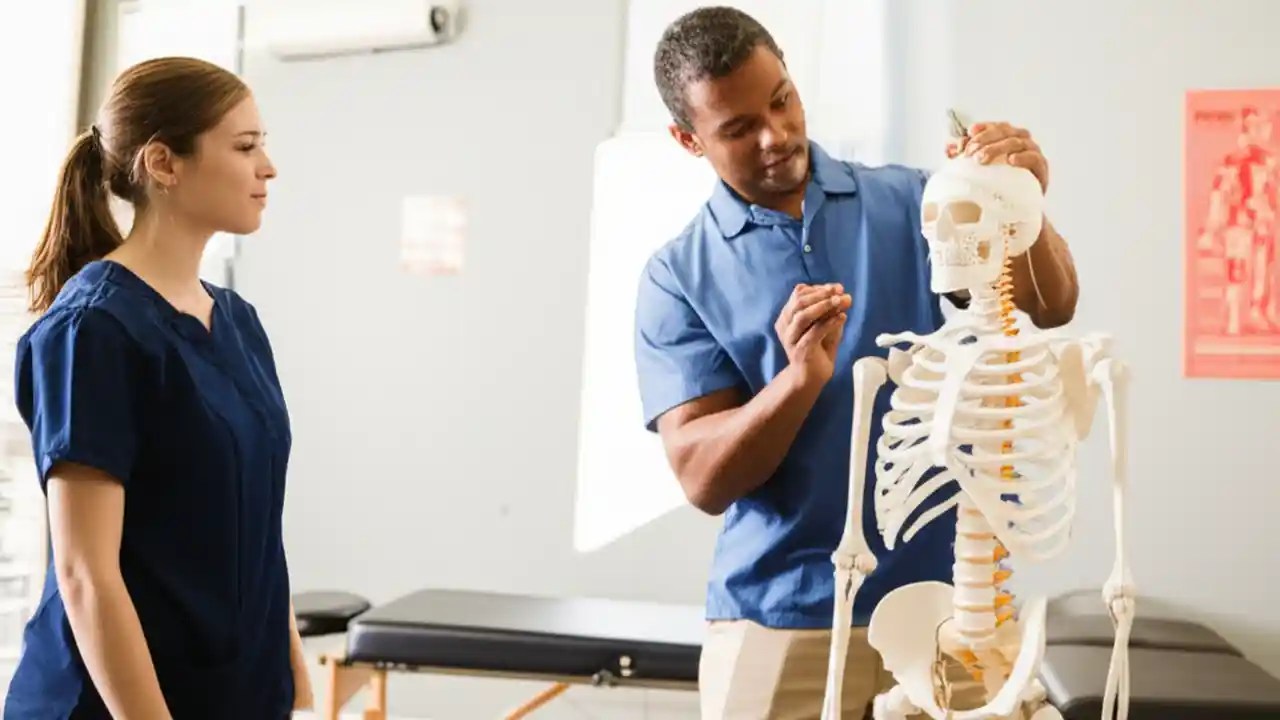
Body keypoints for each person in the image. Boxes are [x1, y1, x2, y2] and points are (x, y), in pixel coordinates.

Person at [634, 7, 1079, 718]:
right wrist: (798, 381)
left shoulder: (915, 203)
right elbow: (702, 477)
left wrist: (1021, 201)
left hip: (948, 615)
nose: (776, 135)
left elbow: (1052, 305)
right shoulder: (678, 276)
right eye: (739, 128)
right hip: (780, 619)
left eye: (781, 99)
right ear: (688, 140)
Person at [4, 57, 312, 719]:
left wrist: (297, 691)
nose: (268, 167)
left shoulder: (238, 322)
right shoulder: (93, 332)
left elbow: (257, 533)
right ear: (164, 164)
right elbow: (86, 577)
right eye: (245, 146)